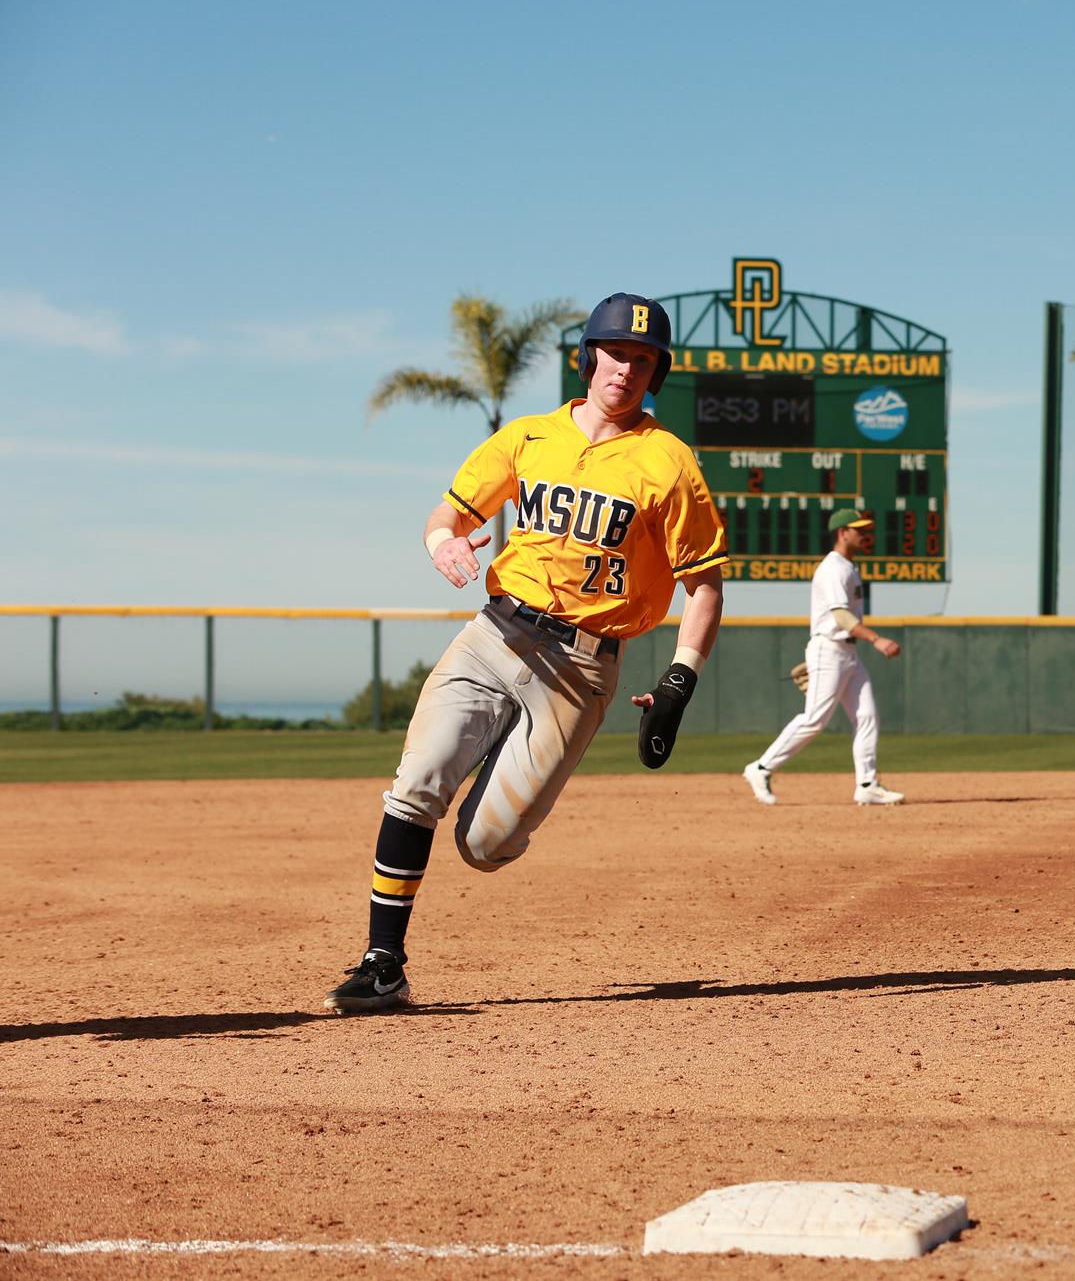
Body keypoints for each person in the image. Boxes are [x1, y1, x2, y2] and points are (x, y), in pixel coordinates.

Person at [325, 292, 728, 1014]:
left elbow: (704, 587)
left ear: (655, 373)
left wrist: (678, 680)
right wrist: (442, 543)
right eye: (615, 352)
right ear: (589, 357)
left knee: (484, 844)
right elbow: (446, 515)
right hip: (495, 633)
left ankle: (511, 791)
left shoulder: (669, 464)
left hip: (580, 666)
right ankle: (382, 963)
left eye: (644, 359)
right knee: (417, 781)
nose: (626, 369)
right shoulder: (528, 437)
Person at [743, 509, 905, 806]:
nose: (864, 535)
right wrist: (877, 639)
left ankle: (867, 784)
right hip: (829, 648)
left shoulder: (849, 567)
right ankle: (760, 768)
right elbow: (840, 616)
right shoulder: (834, 569)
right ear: (842, 533)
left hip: (848, 651)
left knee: (867, 715)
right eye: (859, 530)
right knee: (815, 719)